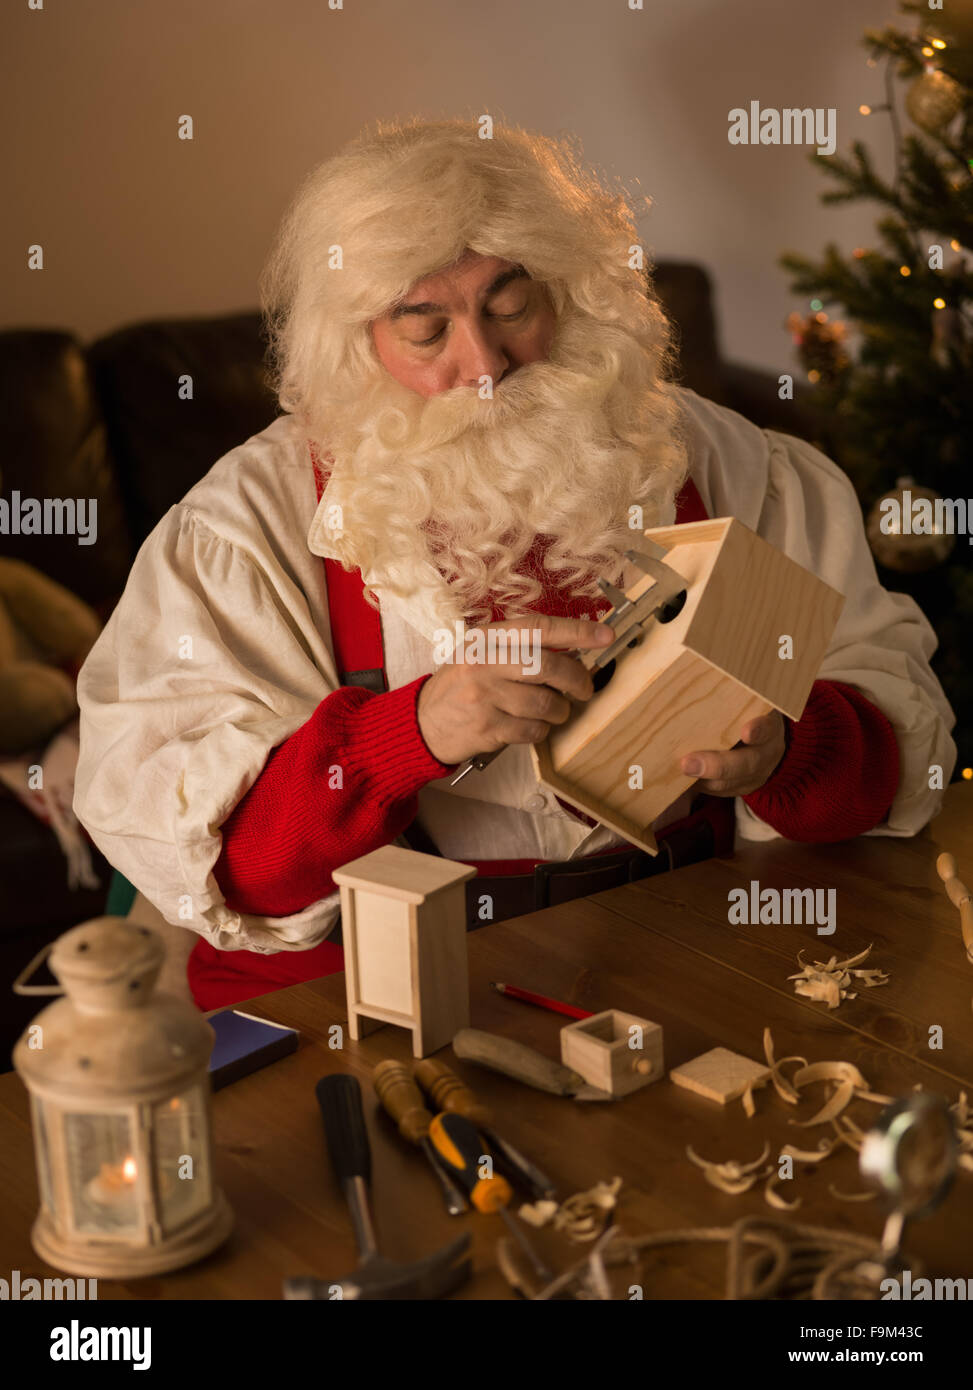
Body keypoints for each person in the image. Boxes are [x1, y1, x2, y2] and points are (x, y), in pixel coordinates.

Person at [74, 118, 956, 1010]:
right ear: (357, 341)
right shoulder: (243, 528)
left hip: (686, 947)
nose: (485, 365)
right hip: (377, 1000)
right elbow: (235, 873)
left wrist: (789, 755)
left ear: (564, 291)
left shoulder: (735, 467)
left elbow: (894, 767)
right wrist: (410, 734)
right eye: (426, 327)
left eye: (509, 305)